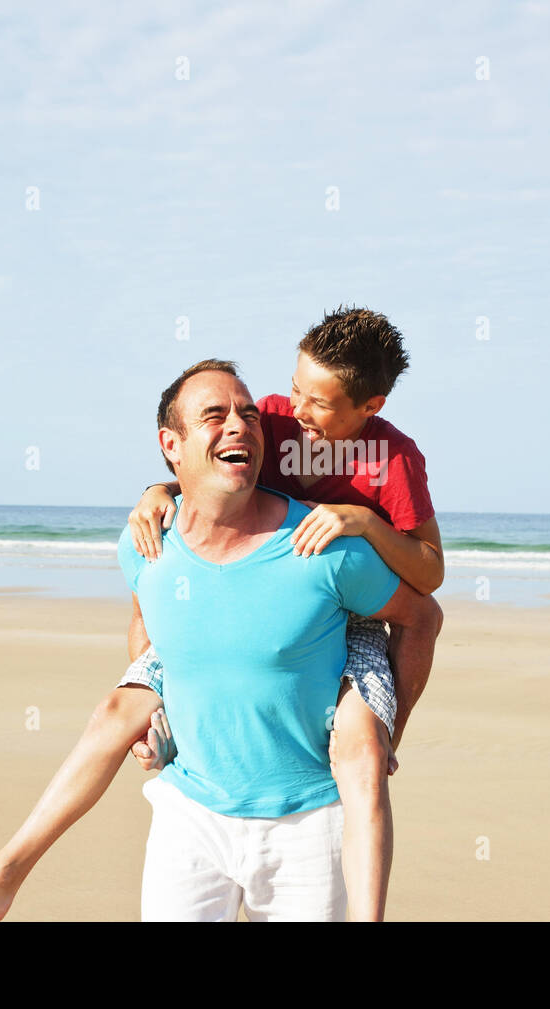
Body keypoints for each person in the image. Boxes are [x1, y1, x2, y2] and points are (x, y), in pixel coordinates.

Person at [0, 357, 442, 921]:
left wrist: (389, 729)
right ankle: (1, 876)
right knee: (117, 709)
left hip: (310, 826)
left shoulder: (330, 539)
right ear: (170, 444)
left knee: (363, 751)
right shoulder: (148, 540)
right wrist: (160, 722)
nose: (242, 424)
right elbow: (148, 619)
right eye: (215, 415)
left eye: (248, 416)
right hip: (189, 816)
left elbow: (424, 603)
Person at [125, 306, 443, 920]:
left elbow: (429, 573)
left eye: (317, 402)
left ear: (369, 406)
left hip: (351, 612)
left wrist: (365, 521)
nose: (295, 408)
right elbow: (210, 468)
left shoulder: (394, 457)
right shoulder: (272, 417)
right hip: (256, 593)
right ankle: (163, 727)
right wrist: (156, 490)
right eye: (295, 387)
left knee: (361, 753)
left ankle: (383, 741)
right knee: (129, 694)